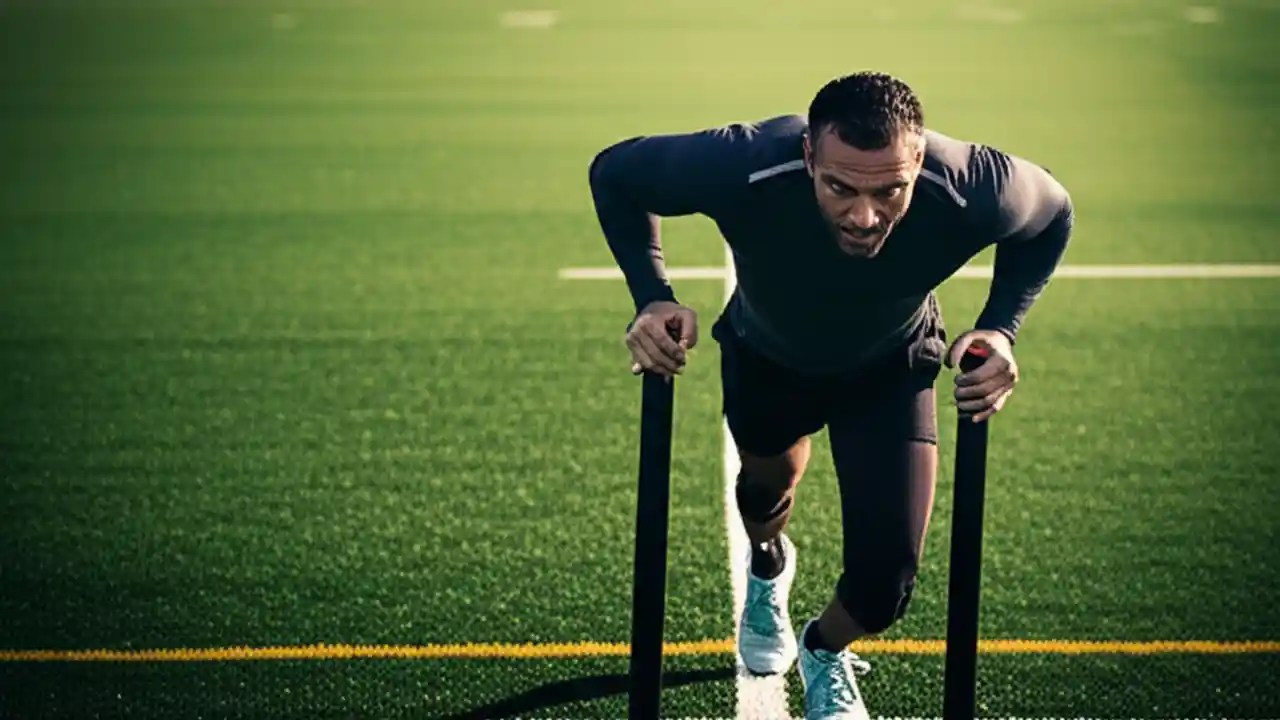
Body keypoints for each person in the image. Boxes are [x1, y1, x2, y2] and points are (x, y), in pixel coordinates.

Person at [587, 71, 1073, 719]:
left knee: (885, 587)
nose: (864, 215)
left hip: (891, 371)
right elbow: (615, 172)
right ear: (810, 155)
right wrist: (652, 297)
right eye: (840, 187)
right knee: (764, 494)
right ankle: (768, 568)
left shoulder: (970, 185)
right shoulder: (747, 161)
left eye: (889, 190)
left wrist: (1001, 328)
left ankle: (824, 647)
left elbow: (1051, 214)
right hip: (768, 358)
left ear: (919, 160)